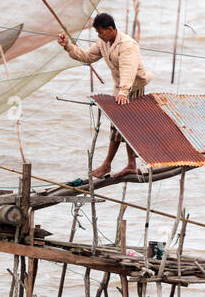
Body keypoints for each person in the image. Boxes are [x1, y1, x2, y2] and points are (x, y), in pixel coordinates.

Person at [56, 12, 152, 178]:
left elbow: (128, 70)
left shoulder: (127, 45)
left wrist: (123, 92)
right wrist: (68, 46)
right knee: (123, 126)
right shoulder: (103, 42)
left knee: (123, 125)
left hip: (133, 86)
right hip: (120, 87)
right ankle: (127, 163)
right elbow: (87, 56)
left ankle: (110, 164)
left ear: (110, 29)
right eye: (98, 33)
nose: (99, 35)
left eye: (101, 32)